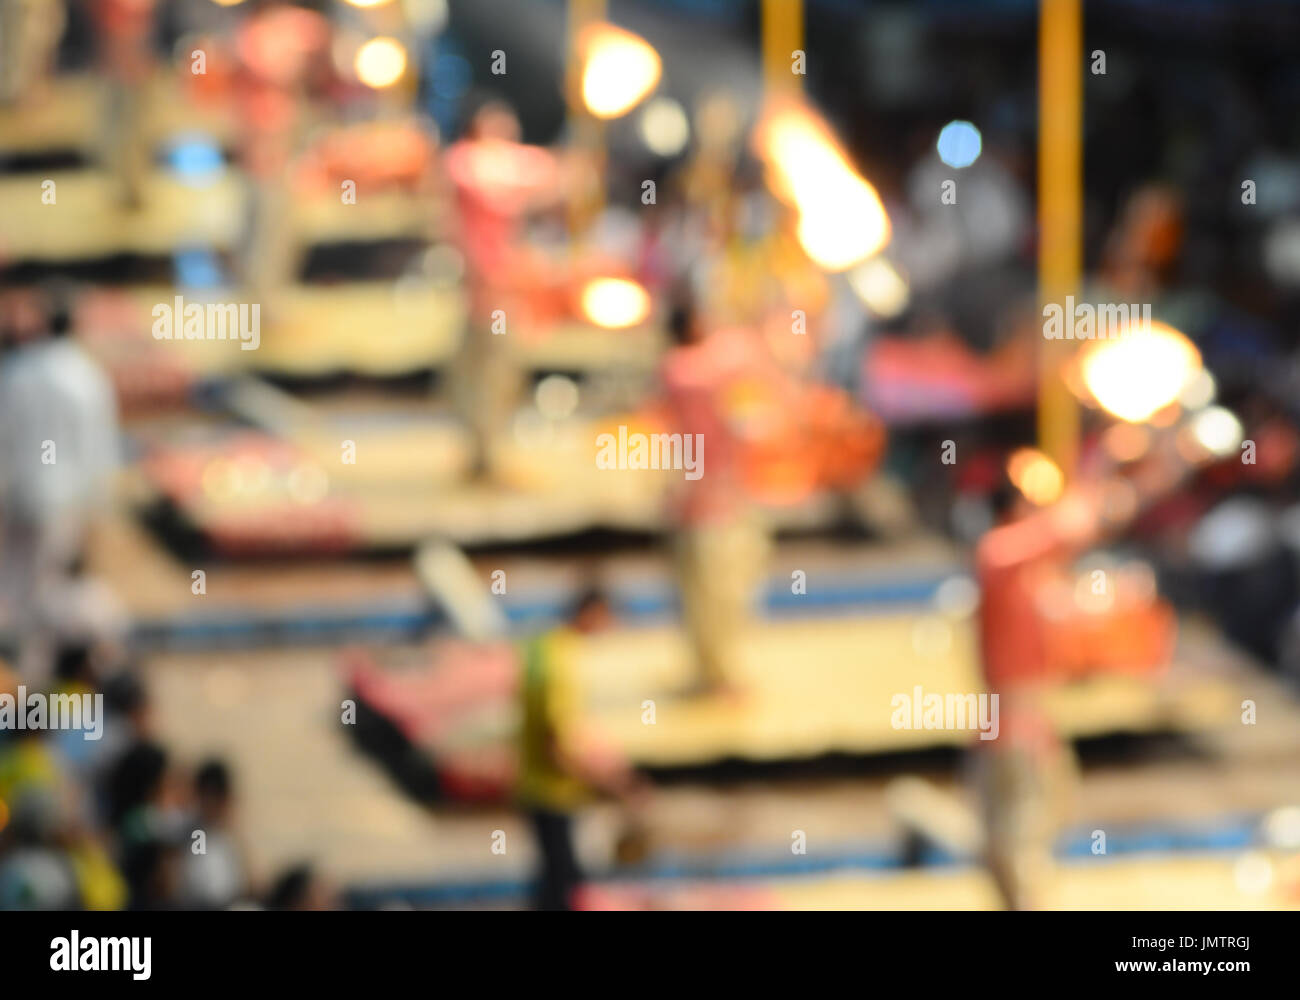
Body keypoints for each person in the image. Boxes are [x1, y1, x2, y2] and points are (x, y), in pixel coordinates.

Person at [0, 284, 121, 684]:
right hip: (65, 499)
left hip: (19, 494)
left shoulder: (19, 372)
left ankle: (18, 680)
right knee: (48, 589)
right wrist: (95, 511)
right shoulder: (88, 378)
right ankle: (36, 679)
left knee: (15, 588)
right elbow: (98, 450)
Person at [660, 287, 774, 696]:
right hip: (710, 508)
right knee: (715, 597)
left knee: (708, 597)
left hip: (707, 502)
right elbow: (731, 364)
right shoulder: (686, 370)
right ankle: (716, 675)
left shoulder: (690, 368)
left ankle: (715, 673)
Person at [516, 587, 645, 911]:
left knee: (557, 875)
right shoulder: (560, 665)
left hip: (537, 784)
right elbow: (556, 745)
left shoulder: (545, 646)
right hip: (552, 790)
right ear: (593, 612)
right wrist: (609, 782)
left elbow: (569, 727)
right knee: (562, 881)